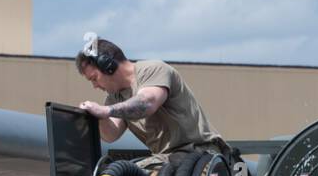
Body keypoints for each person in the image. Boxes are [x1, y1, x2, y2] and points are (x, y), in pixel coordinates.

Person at [76, 37, 229, 167]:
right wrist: (99, 117)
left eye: (94, 78)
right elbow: (111, 135)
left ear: (108, 66)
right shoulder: (115, 98)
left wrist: (106, 111)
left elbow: (147, 103)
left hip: (200, 153)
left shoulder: (154, 70)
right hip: (167, 160)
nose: (95, 86)